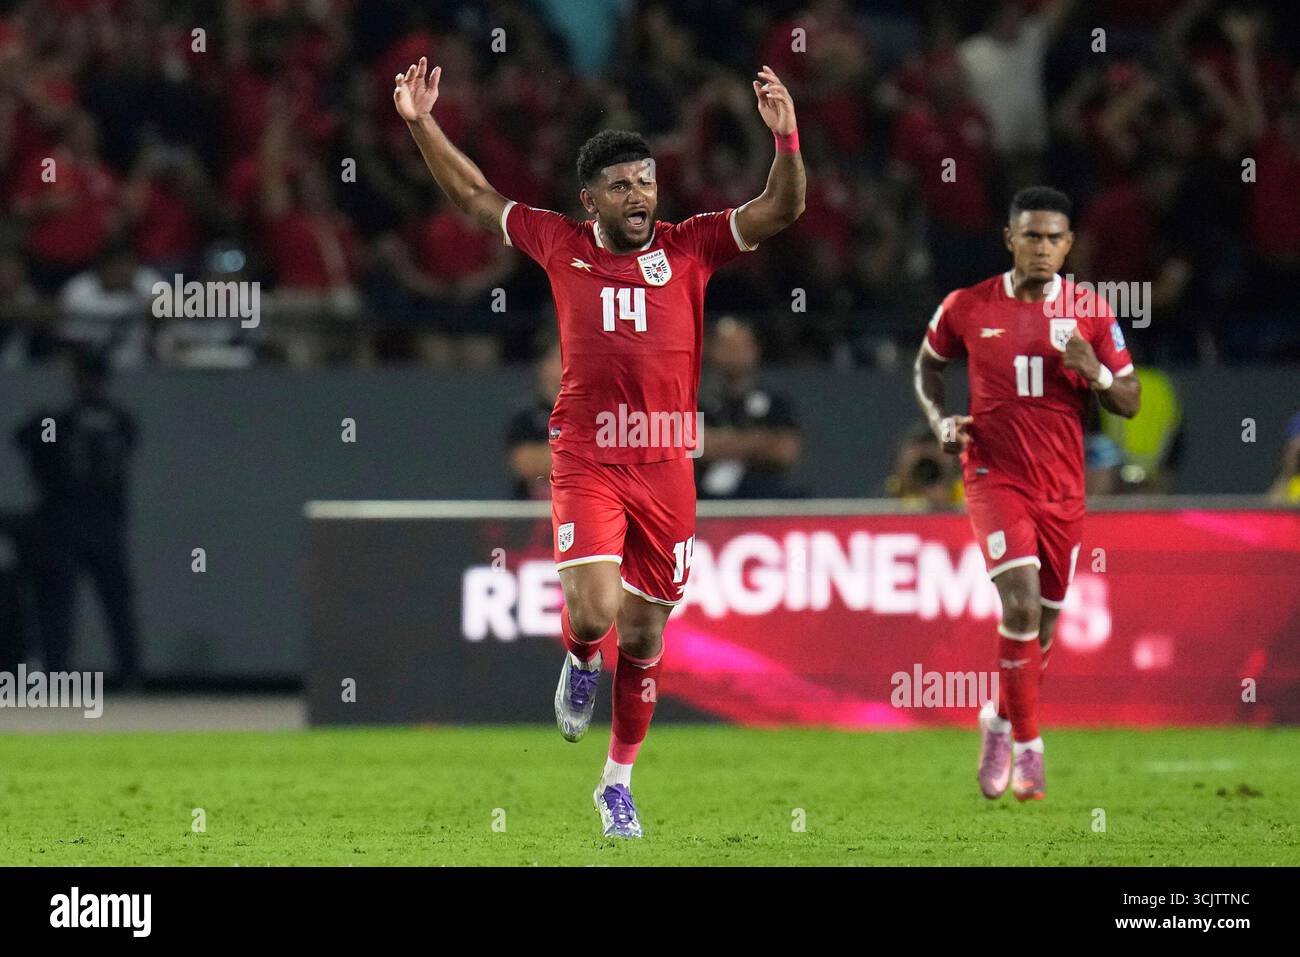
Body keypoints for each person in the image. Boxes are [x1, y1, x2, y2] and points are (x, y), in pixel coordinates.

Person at [395, 56, 805, 837]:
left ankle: (616, 783)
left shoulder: (693, 245)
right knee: (593, 609)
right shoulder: (559, 241)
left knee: (647, 635)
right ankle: (582, 658)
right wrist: (421, 123)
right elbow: (477, 198)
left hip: (666, 461)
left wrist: (785, 140)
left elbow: (780, 211)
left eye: (647, 181)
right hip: (587, 453)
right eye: (621, 186)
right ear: (592, 200)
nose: (640, 195)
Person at [912, 186, 1140, 802]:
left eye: (1055, 238)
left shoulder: (1091, 311)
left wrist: (1093, 371)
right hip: (994, 476)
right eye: (1032, 235)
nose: (1043, 247)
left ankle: (999, 719)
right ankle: (1031, 750)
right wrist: (941, 422)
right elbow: (928, 366)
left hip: (1063, 487)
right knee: (1020, 605)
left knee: (1043, 629)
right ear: (1010, 238)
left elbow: (1131, 399)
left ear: (1069, 245)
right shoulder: (967, 305)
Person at [13, 348, 143, 689]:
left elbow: (32, 441)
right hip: (77, 525)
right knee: (65, 604)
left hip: (85, 524)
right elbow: (29, 441)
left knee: (108, 603)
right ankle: (61, 672)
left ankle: (127, 674)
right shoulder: (80, 421)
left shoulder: (76, 421)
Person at [696, 316, 803, 499]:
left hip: (761, 507)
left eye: (741, 346)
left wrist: (718, 443)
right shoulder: (694, 403)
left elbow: (785, 451)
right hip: (705, 509)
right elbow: (690, 450)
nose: (734, 354)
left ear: (755, 349)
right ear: (709, 350)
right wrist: (761, 443)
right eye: (726, 346)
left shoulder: (775, 403)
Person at [505, 334, 563, 500]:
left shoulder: (590, 413)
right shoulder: (526, 414)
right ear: (542, 365)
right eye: (560, 357)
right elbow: (524, 463)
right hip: (532, 516)